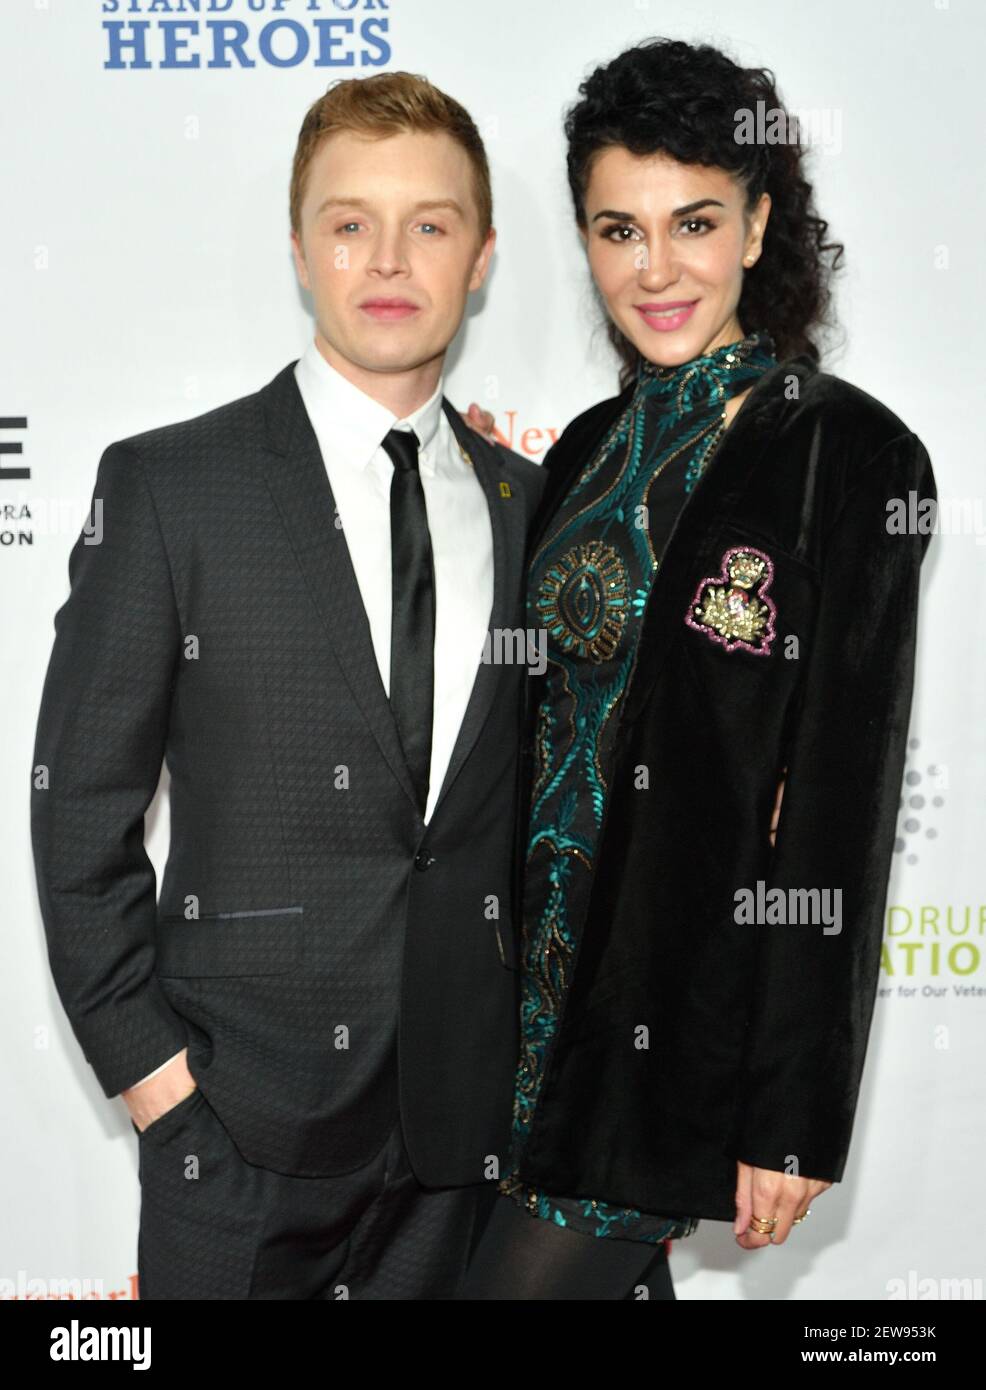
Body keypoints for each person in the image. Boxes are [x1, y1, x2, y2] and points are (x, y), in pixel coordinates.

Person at [30, 71, 545, 1300]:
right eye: (347, 220)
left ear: (479, 258)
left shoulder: (535, 506)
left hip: (461, 1151)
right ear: (301, 249)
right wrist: (163, 1091)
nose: (387, 255)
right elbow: (77, 810)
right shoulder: (170, 488)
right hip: (238, 1140)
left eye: (429, 223)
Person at [458, 37, 937, 1300]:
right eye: (618, 230)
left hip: (670, 1009)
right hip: (526, 1009)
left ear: (758, 222)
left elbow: (840, 803)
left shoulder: (848, 456)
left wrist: (792, 1108)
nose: (654, 268)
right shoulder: (580, 452)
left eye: (693, 223)